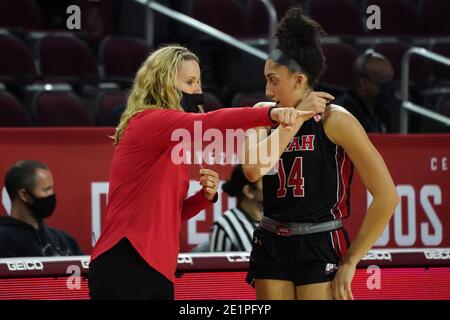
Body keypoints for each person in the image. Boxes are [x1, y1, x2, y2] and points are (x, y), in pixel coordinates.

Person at [87, 44, 323, 300]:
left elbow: (169, 218)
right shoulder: (148, 120)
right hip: (126, 262)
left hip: (155, 269)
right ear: (164, 83)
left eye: (199, 82)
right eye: (190, 82)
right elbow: (208, 122)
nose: (199, 91)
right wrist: (270, 113)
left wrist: (203, 198)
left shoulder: (169, 142)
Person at [242, 8, 399, 300]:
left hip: (320, 238)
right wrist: (298, 117)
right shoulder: (261, 116)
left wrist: (351, 261)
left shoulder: (335, 120)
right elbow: (252, 170)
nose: (267, 90)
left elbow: (387, 195)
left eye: (273, 80)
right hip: (270, 238)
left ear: (299, 81)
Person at [0, 160, 82, 258]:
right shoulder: (4, 241)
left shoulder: (64, 239)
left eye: (52, 188)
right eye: (46, 189)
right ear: (24, 195)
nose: (51, 194)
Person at [334, 49, 396, 133]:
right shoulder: (341, 113)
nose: (389, 87)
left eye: (390, 80)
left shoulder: (383, 110)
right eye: (383, 81)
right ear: (363, 83)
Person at [210, 164, 263, 252]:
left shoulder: (272, 220)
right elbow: (217, 264)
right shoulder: (224, 226)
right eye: (265, 183)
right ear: (248, 191)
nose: (271, 187)